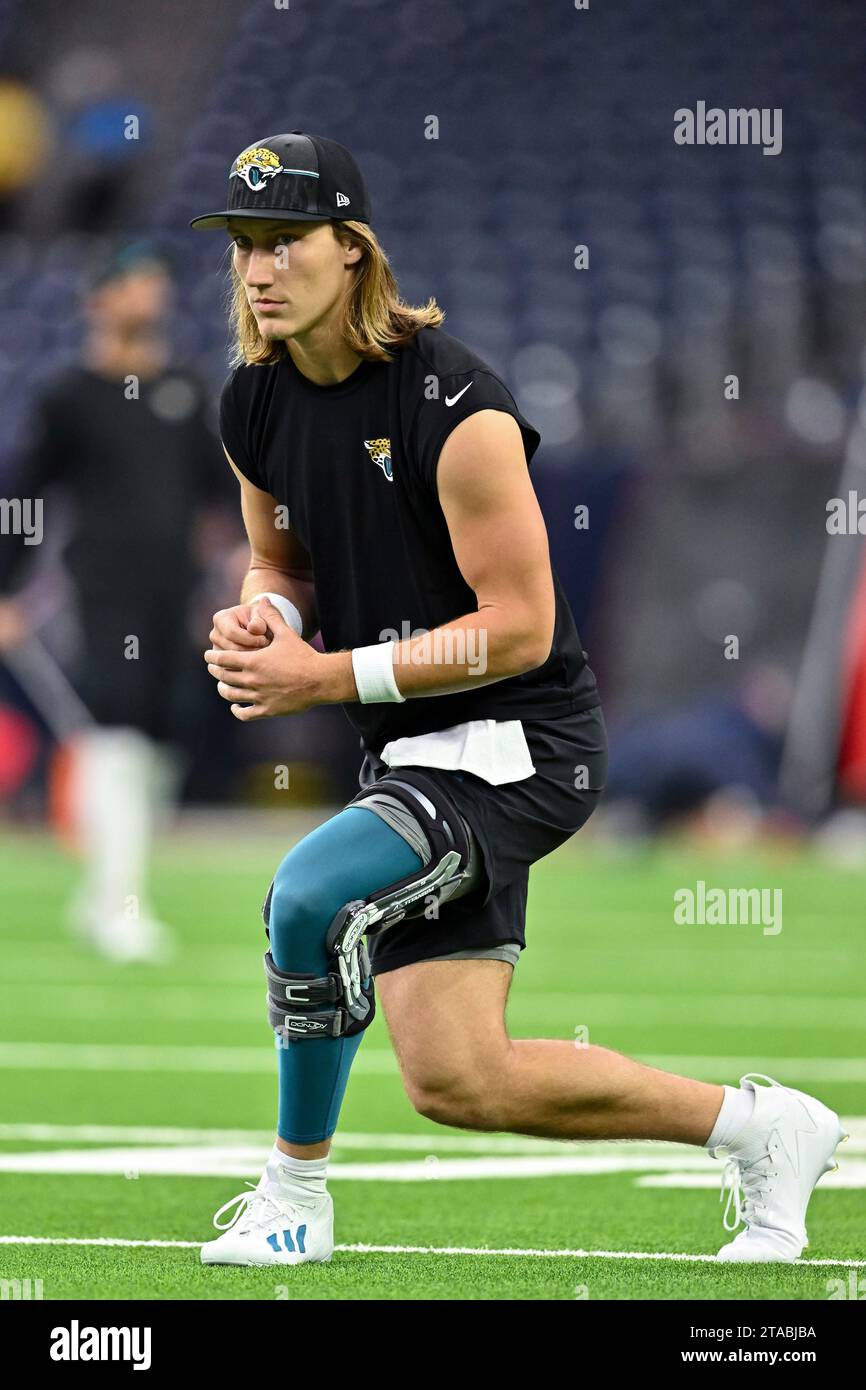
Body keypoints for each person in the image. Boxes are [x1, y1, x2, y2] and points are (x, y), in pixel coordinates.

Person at [193, 132, 847, 1267]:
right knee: (461, 1080)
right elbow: (279, 562)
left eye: (286, 239)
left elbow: (519, 628)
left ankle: (293, 1195)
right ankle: (761, 1129)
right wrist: (268, 622)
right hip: (413, 748)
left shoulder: (457, 405)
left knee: (308, 898)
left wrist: (324, 676)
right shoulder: (253, 399)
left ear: (352, 250)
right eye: (245, 244)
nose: (260, 267)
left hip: (522, 743)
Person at [0, 244, 229, 961]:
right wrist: (5, 590)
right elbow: (25, 498)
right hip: (103, 593)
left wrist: (247, 564)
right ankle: (116, 906)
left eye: (153, 284)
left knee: (162, 740)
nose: (146, 297)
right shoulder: (69, 397)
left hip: (177, 596)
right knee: (117, 729)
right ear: (97, 300)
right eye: (129, 284)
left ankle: (105, 887)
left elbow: (222, 492)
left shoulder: (185, 390)